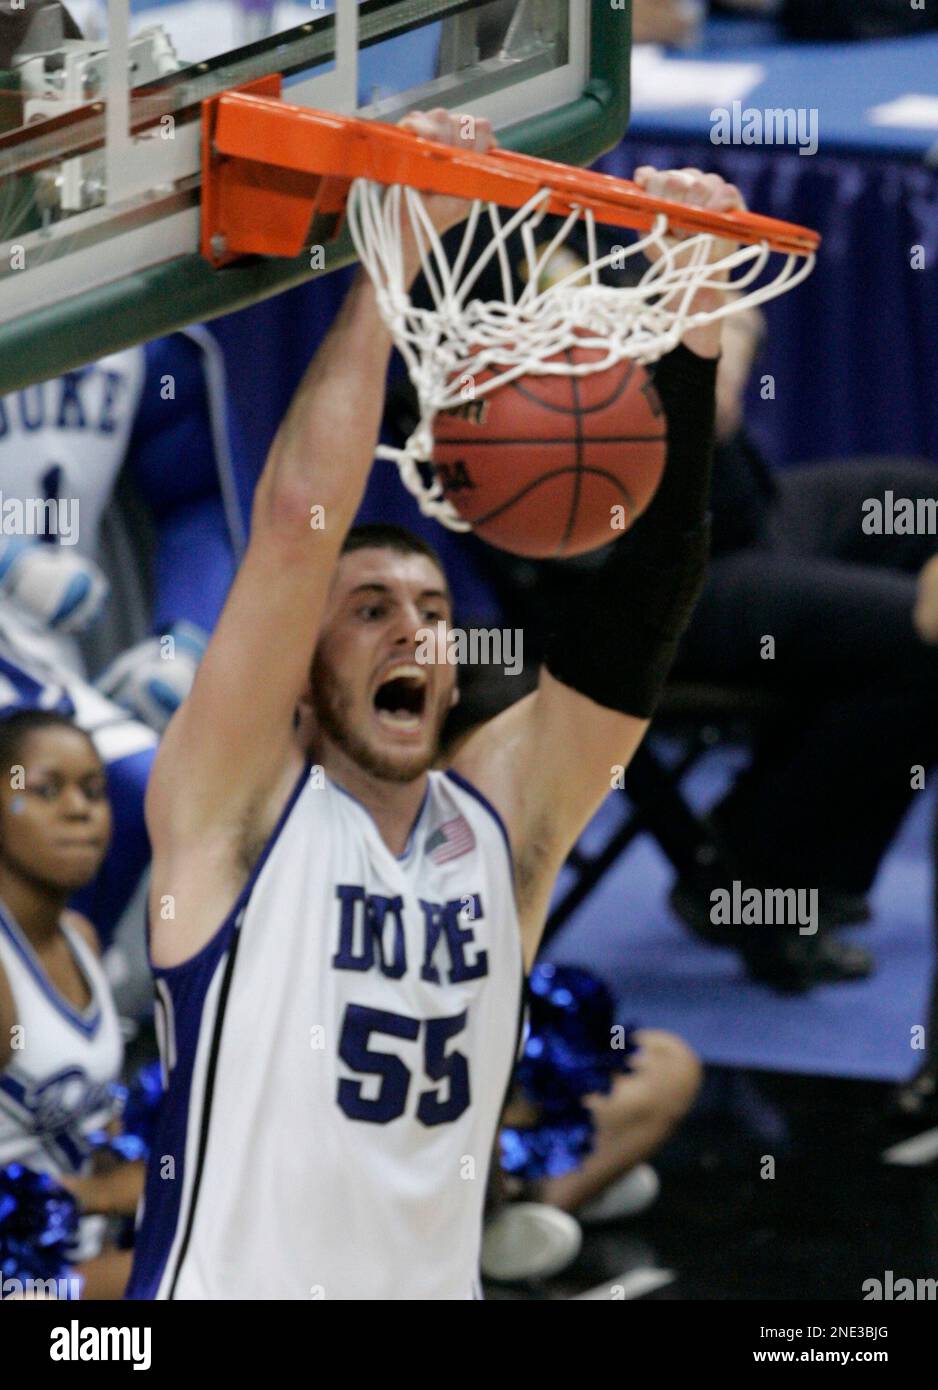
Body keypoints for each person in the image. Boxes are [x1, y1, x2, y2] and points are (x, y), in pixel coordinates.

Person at [125, 113, 737, 1301]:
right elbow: (302, 518)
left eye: (429, 606)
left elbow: (642, 616)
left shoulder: (500, 832)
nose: (410, 625)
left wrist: (690, 341)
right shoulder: (231, 818)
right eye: (365, 610)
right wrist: (391, 258)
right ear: (296, 676)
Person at [0, 708, 144, 1298]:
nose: (80, 809)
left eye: (94, 790)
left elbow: (96, 1117)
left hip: (76, 1260)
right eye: (47, 789)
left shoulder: (81, 939)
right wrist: (90, 1197)